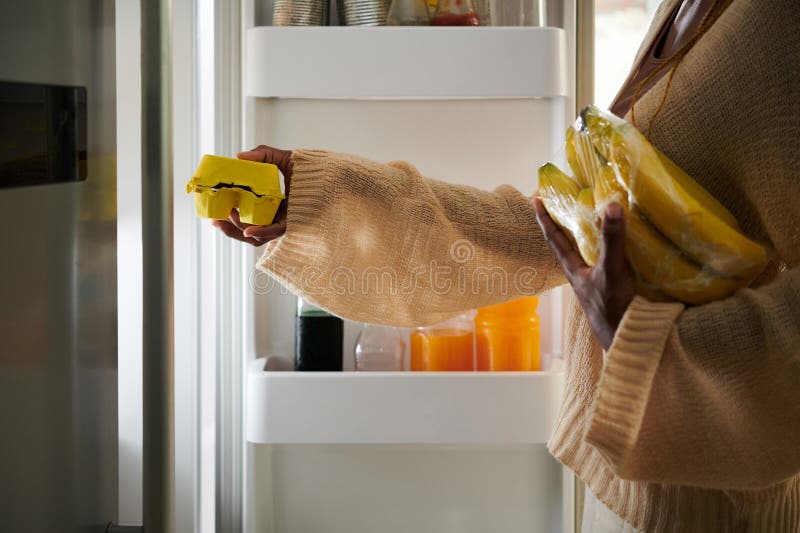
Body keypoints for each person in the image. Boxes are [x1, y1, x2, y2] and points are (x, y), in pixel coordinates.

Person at [214, 0, 800, 530]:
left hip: (727, 501)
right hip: (636, 481)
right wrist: (322, 197)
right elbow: (549, 231)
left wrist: (636, 333)